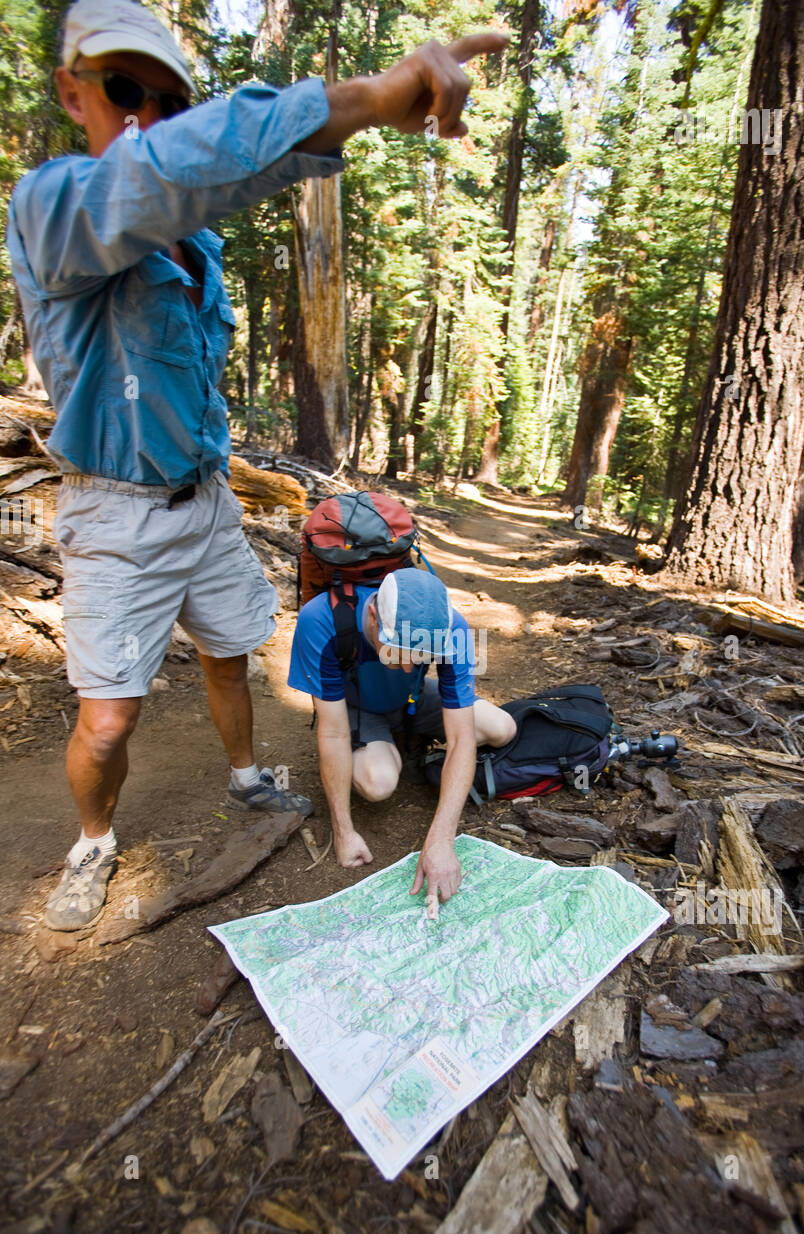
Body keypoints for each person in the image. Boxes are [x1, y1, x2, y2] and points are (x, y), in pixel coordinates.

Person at [6, 0, 509, 931]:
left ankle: (245, 780)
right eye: (126, 91)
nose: (148, 116)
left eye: (169, 98)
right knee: (109, 716)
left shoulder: (197, 247)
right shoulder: (53, 210)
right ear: (75, 95)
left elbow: (196, 199)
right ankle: (92, 841)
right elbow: (167, 176)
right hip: (113, 514)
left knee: (231, 653)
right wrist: (366, 96)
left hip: (205, 499)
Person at [287, 567, 517, 910]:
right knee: (377, 785)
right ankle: (384, 745)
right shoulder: (322, 619)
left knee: (502, 728)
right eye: (396, 651)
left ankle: (405, 739)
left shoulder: (453, 627)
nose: (409, 666)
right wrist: (343, 831)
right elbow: (332, 732)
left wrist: (441, 839)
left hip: (414, 699)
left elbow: (461, 739)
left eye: (421, 655)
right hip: (357, 707)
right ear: (372, 615)